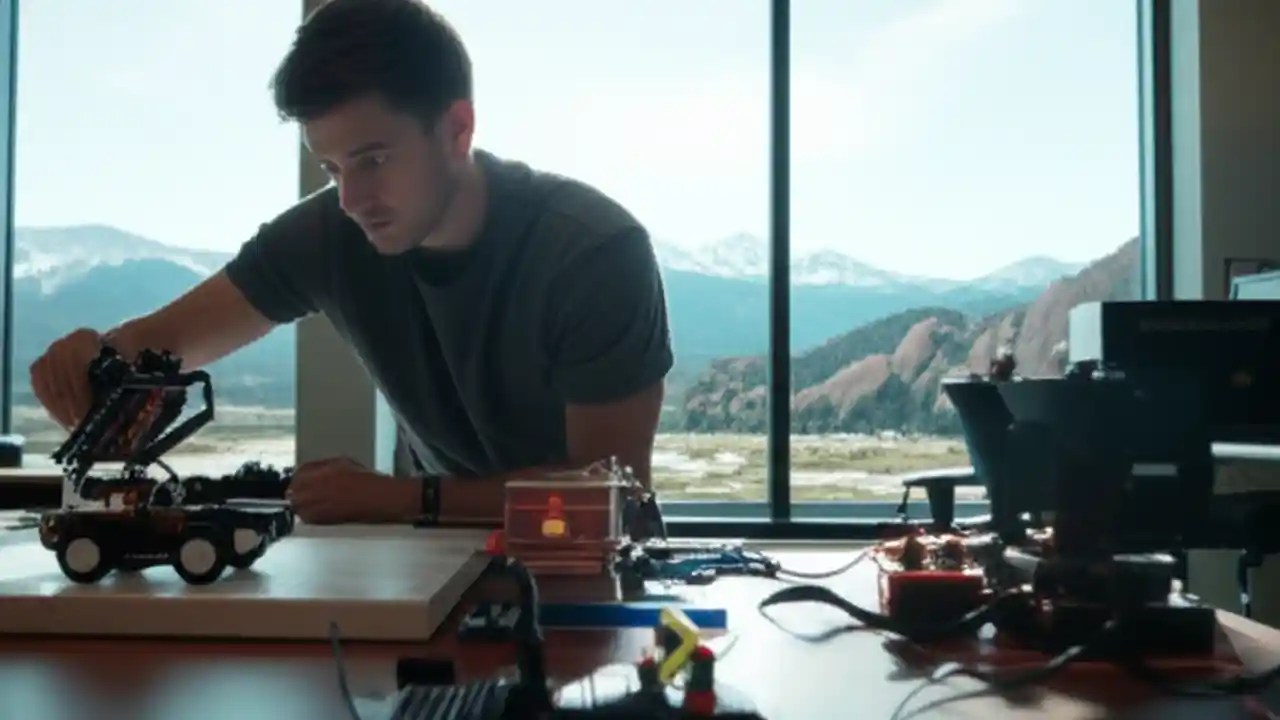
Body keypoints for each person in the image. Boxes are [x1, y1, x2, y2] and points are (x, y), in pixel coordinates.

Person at [27, 0, 674, 527]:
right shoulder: (328, 233)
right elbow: (159, 346)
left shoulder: (591, 251)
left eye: (373, 159)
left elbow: (611, 494)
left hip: (592, 571)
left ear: (457, 129)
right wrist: (93, 357)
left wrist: (404, 499)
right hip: (430, 571)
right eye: (333, 167)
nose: (352, 199)